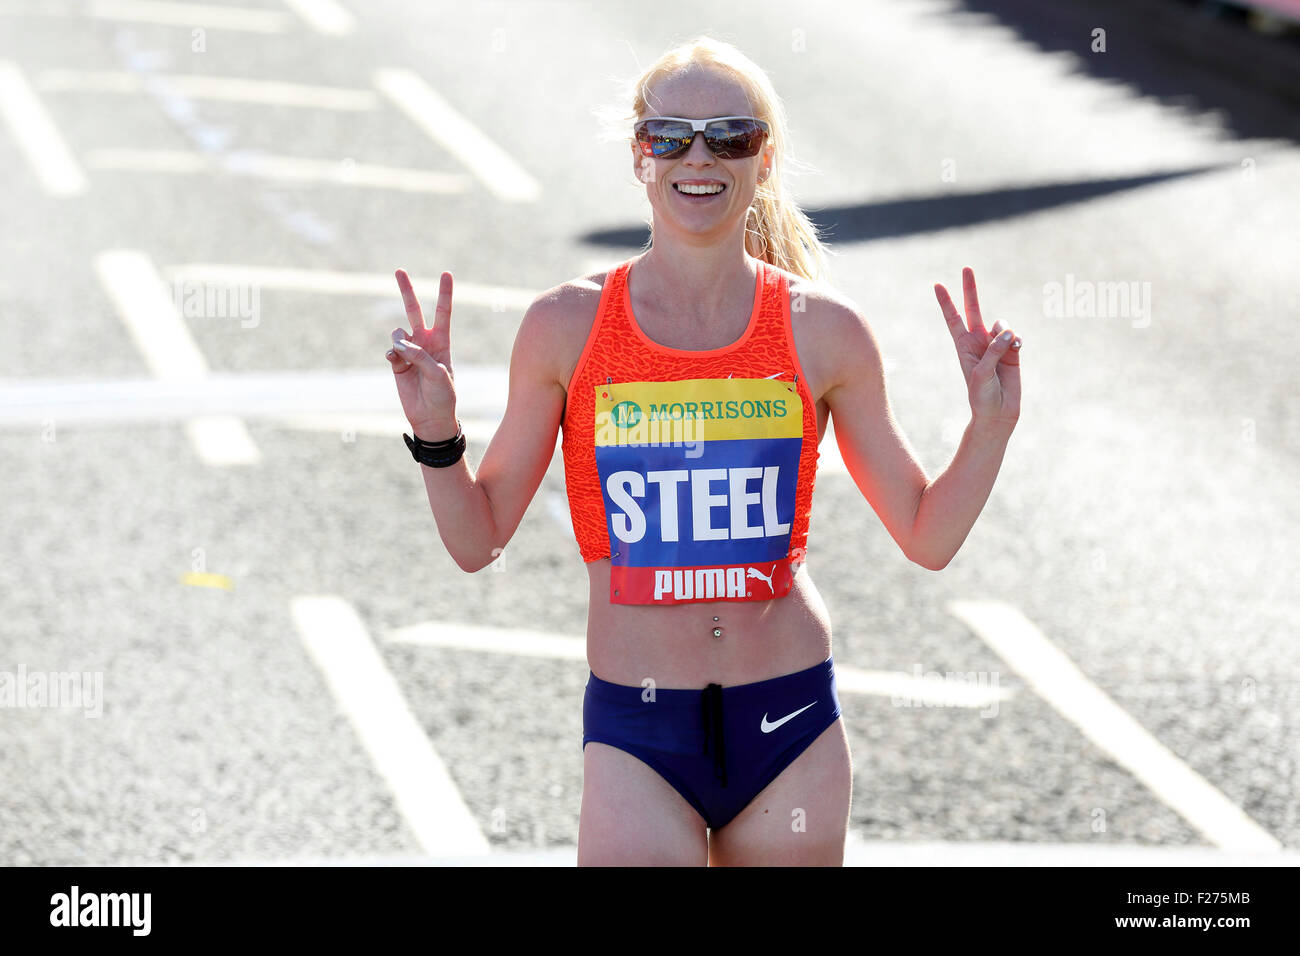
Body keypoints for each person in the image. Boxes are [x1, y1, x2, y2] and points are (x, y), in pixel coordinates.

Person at [384, 35, 1022, 866]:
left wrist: (990, 428)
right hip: (638, 733)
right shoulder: (566, 327)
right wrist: (437, 433)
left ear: (764, 160)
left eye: (730, 135)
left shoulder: (823, 331)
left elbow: (927, 535)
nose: (698, 155)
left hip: (788, 723)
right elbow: (478, 542)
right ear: (639, 159)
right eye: (668, 136)